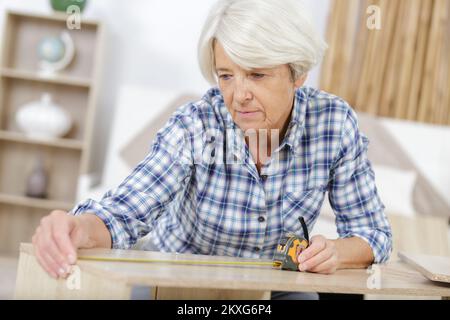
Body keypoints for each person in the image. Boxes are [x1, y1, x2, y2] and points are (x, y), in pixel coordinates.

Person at [32, 0, 392, 299]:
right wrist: (78, 227)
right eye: (226, 75)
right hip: (177, 275)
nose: (239, 95)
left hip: (276, 282)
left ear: (298, 74)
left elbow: (372, 232)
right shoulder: (194, 125)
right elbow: (124, 213)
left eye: (257, 74)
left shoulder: (333, 122)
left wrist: (336, 252)